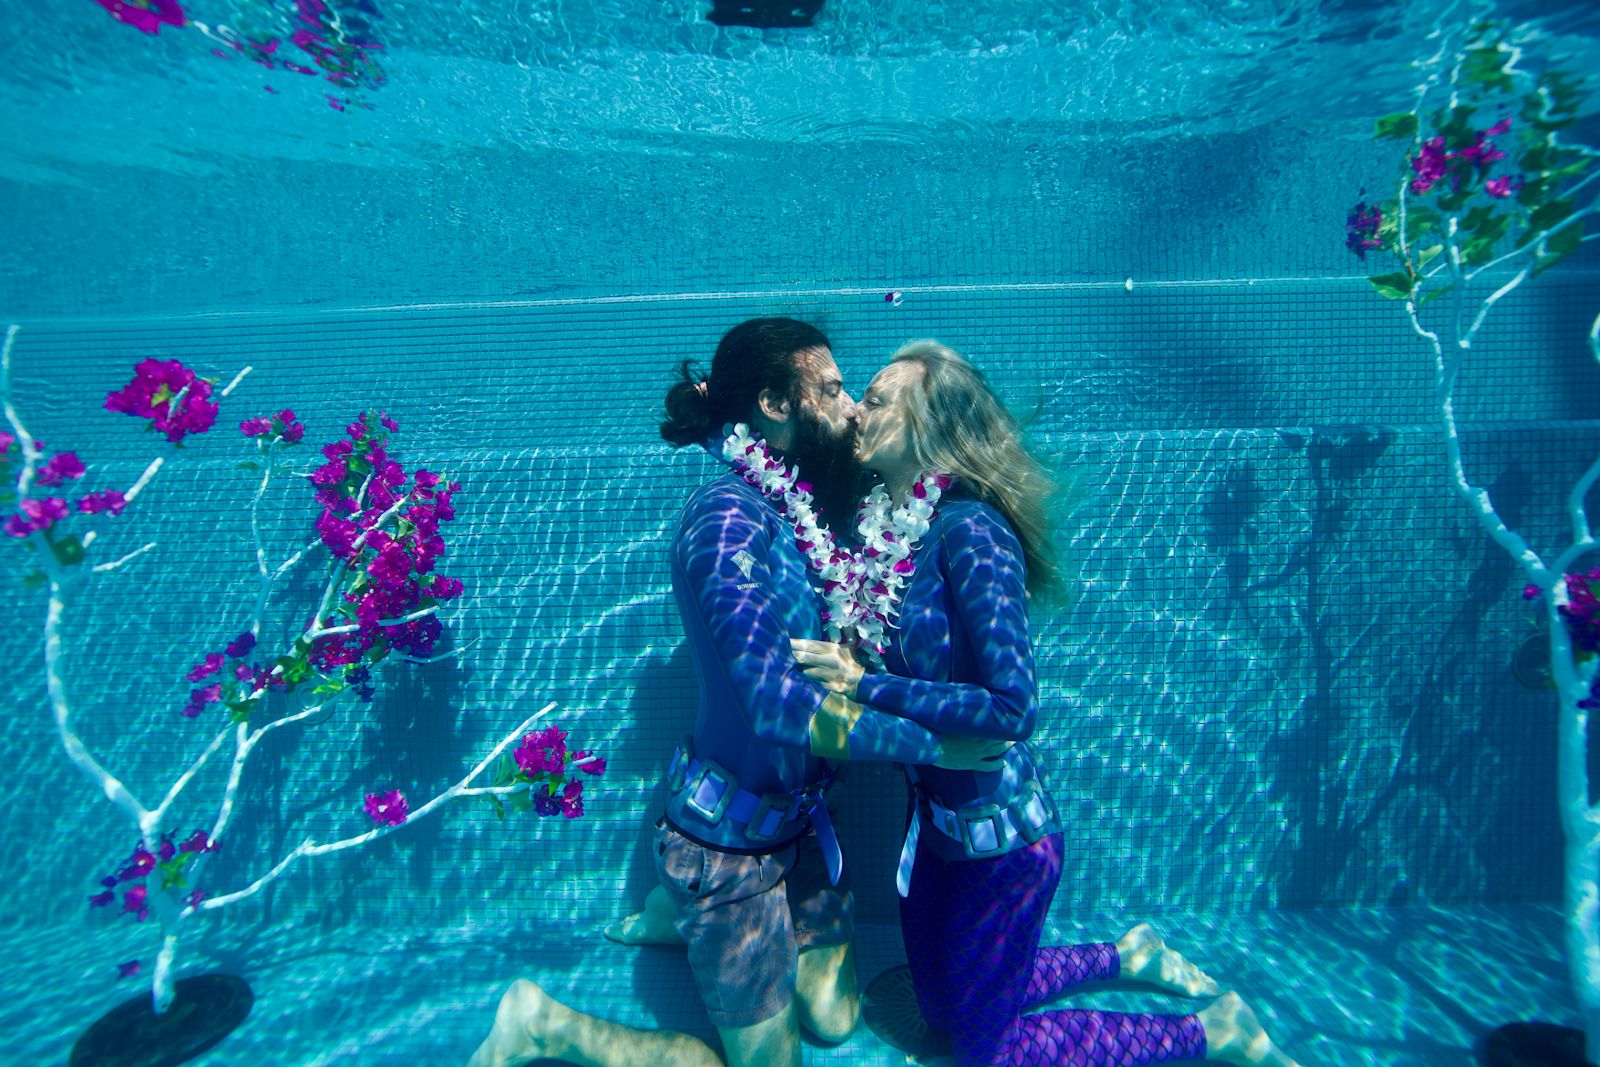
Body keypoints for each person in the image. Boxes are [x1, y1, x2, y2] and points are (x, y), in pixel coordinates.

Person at [467, 319, 1008, 1067]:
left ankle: (673, 915)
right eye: (833, 390)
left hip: (801, 828)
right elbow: (776, 705)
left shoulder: (801, 509)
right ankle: (542, 1020)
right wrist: (934, 745)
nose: (852, 407)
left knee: (836, 1020)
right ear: (774, 404)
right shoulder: (724, 524)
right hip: (724, 844)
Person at [791, 340, 1302, 1067]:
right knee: (937, 1011)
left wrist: (862, 683)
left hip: (1003, 843)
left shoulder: (971, 532)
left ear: (929, 428)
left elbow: (1011, 707)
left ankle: (1212, 1030)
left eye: (875, 400)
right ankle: (1127, 954)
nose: (856, 413)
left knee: (986, 1053)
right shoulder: (895, 527)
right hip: (933, 830)